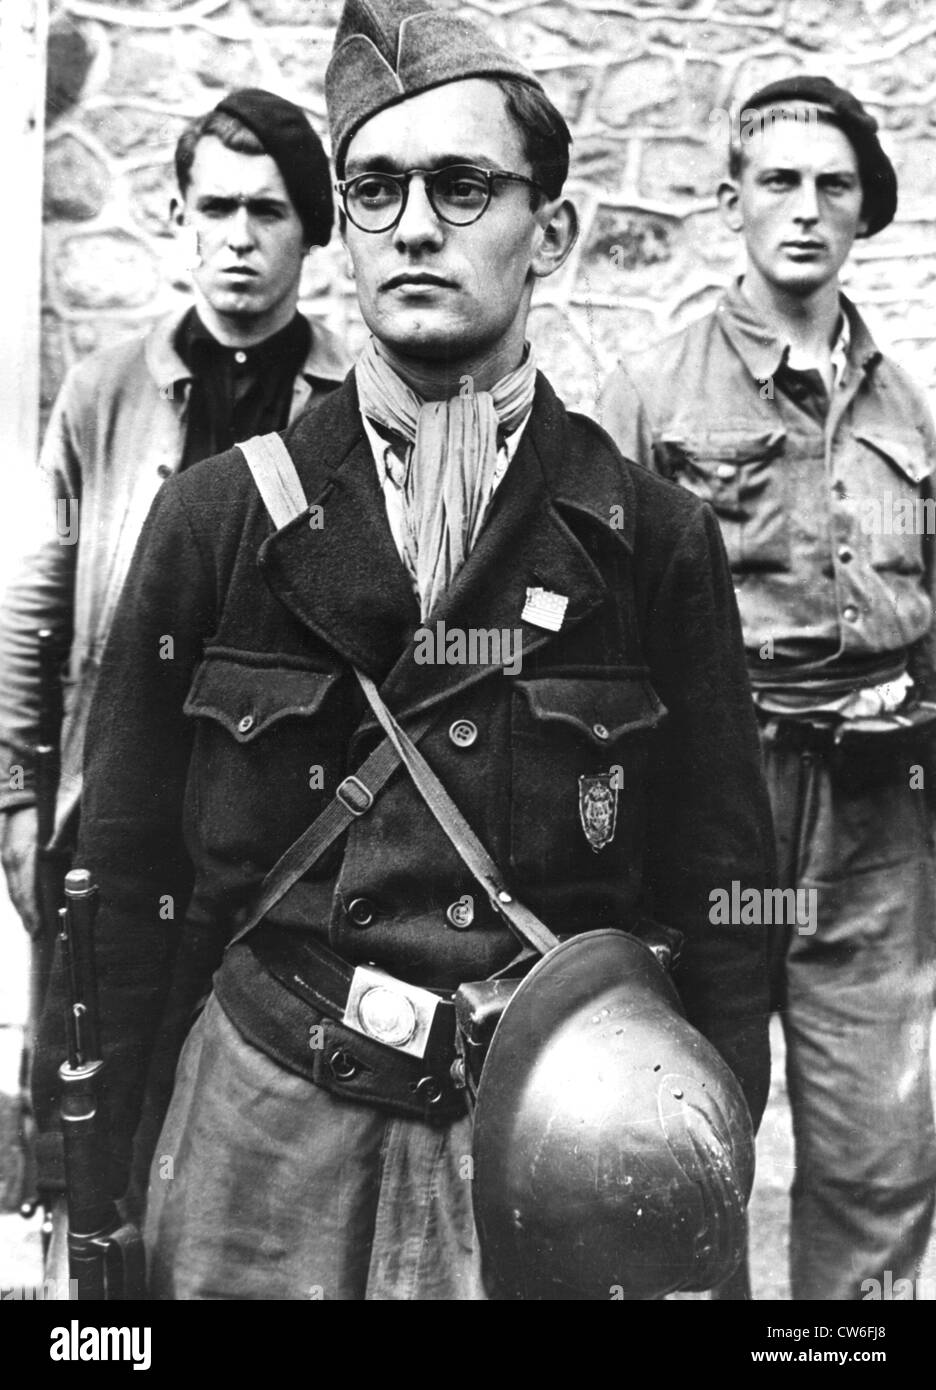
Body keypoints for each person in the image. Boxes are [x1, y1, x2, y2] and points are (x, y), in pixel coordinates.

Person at [35, 0, 773, 1300]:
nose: (415, 224)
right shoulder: (215, 519)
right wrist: (97, 1180)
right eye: (374, 189)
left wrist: (692, 1162)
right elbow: (124, 874)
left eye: (462, 183)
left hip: (548, 1159)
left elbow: (726, 897)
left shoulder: (649, 539)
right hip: (260, 1139)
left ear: (554, 230)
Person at [599, 75, 936, 1301]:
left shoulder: (913, 410)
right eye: (779, 183)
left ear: (866, 211)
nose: (806, 209)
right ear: (731, 203)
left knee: (884, 1149)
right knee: (688, 1137)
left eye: (834, 186)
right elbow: (599, 638)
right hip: (720, 815)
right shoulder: (650, 395)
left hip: (876, 826)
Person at [0, 86, 347, 937]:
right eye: (217, 206)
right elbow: (38, 601)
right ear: (177, 214)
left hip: (288, 824)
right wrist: (14, 791)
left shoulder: (353, 407)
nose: (238, 237)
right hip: (118, 796)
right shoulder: (101, 396)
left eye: (267, 211)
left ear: (309, 231)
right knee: (95, 1049)